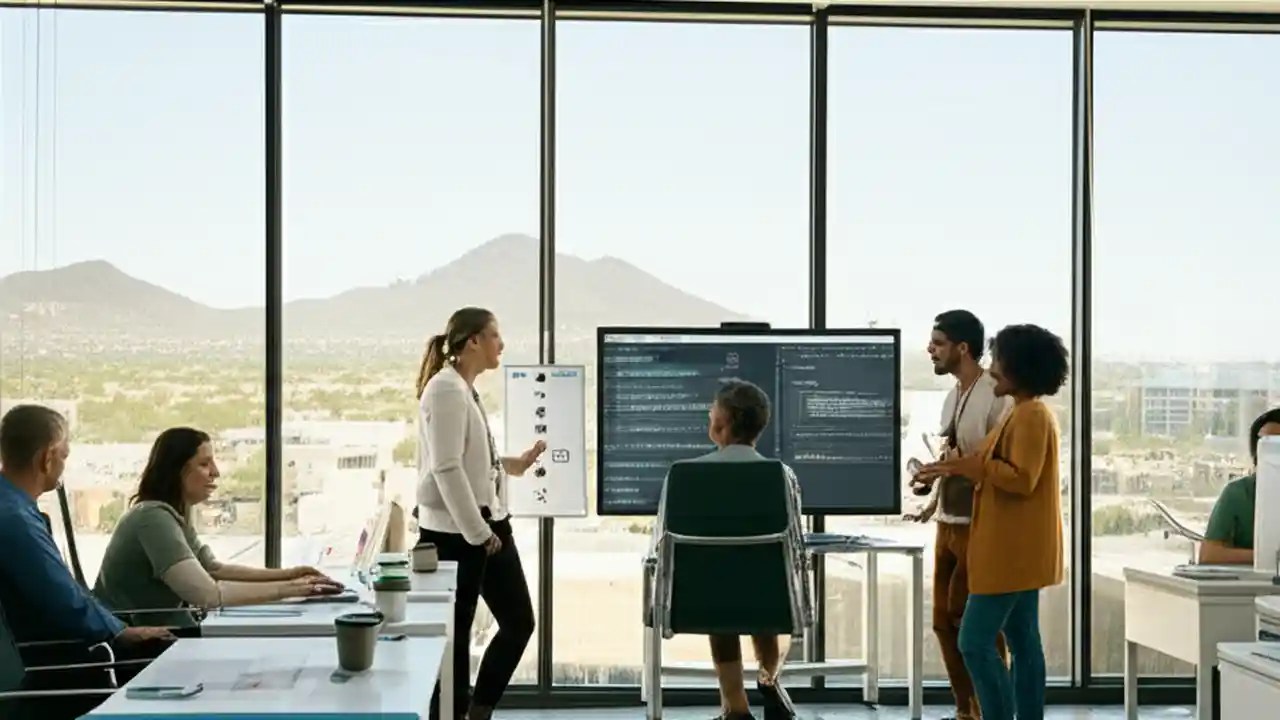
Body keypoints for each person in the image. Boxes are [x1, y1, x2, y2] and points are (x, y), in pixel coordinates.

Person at [916, 324, 1068, 720]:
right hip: (1019, 553)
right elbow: (981, 460)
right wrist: (948, 467)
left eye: (999, 361)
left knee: (974, 641)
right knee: (1023, 641)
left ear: (1019, 368)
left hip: (1010, 554)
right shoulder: (1021, 413)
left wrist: (972, 467)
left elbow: (1021, 478)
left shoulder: (1031, 416)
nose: (992, 368)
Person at [650, 379, 811, 720]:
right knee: (761, 594)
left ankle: (734, 706)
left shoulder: (683, 475)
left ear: (721, 424)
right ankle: (769, 679)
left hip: (705, 598)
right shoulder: (782, 477)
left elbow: (661, 540)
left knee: (719, 595)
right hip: (768, 595)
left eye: (712, 410)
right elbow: (794, 542)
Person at [415, 307, 546, 720]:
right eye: (494, 335)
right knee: (453, 644)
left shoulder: (461, 388)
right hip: (461, 534)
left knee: (518, 622)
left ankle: (477, 712)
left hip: (484, 527)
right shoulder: (446, 390)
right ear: (472, 341)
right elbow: (447, 468)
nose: (500, 345)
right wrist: (477, 532)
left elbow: (468, 460)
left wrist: (513, 464)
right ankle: (458, 714)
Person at [94, 427, 342, 627]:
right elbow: (208, 595)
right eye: (204, 464)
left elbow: (213, 569)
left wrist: (292, 574)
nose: (216, 472)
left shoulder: (173, 513)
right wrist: (293, 589)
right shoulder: (151, 519)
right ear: (176, 470)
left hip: (174, 635)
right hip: (143, 649)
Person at [906, 310, 1011, 720]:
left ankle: (992, 708)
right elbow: (954, 458)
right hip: (947, 524)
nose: (930, 350)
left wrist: (948, 467)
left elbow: (990, 462)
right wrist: (930, 488)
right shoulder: (952, 396)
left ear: (962, 348)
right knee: (943, 622)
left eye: (937, 343)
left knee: (976, 628)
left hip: (979, 527)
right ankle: (966, 709)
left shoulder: (994, 394)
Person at [0, 404, 173, 648]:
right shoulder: (17, 521)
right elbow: (62, 600)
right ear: (47, 459)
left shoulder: (11, 508)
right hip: (45, 662)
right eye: (64, 455)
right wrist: (121, 631)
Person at [1199, 407, 1280, 565]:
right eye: (1270, 447)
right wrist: (1264, 558)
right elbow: (1209, 554)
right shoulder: (1238, 493)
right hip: (1251, 586)